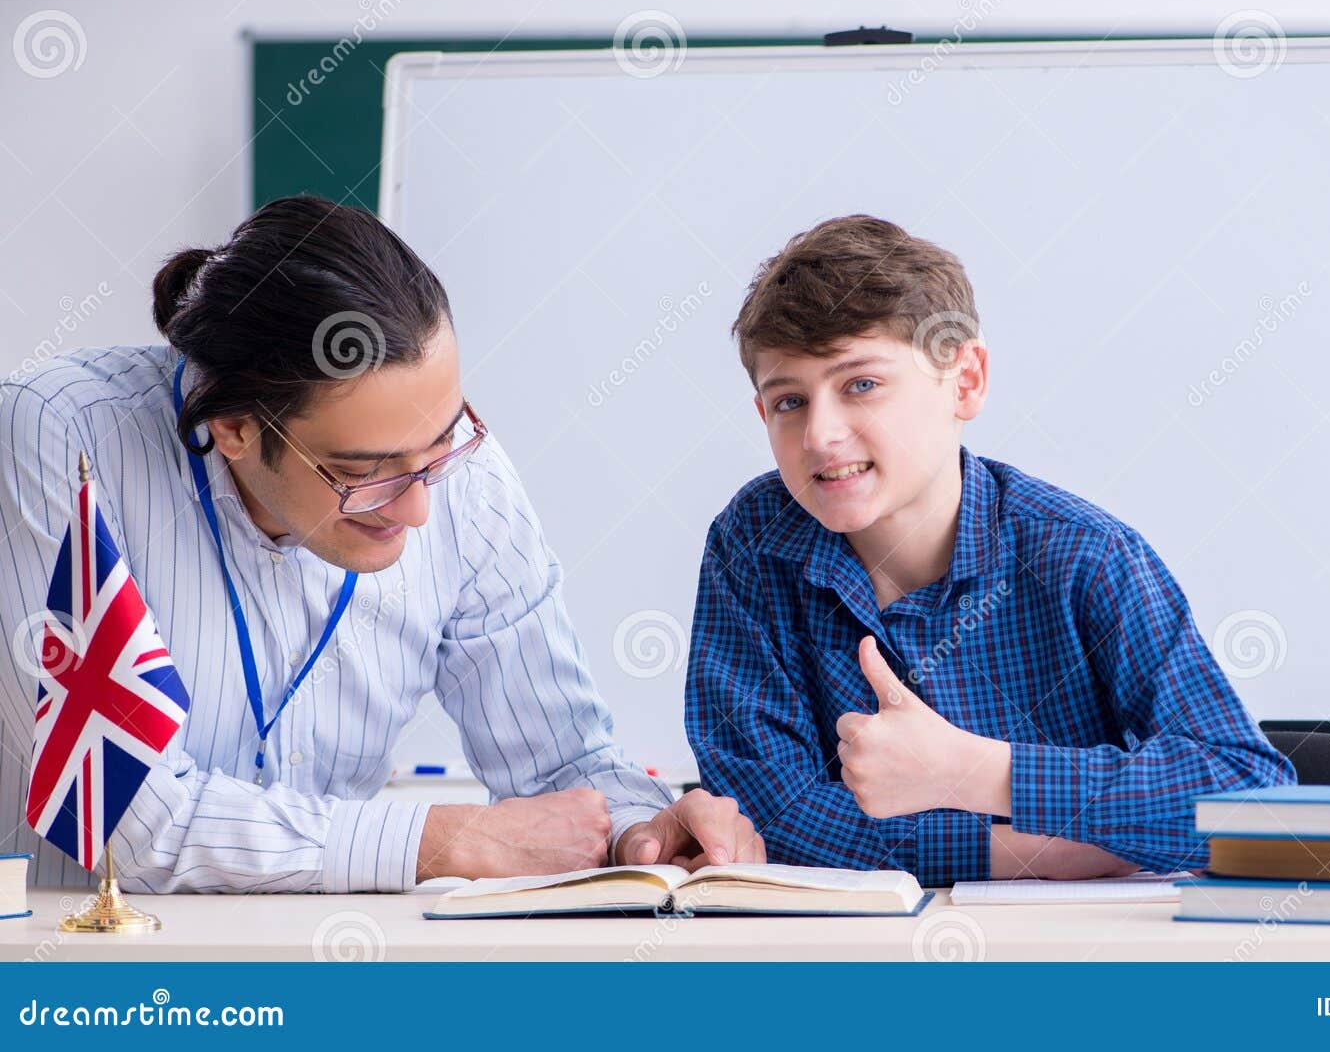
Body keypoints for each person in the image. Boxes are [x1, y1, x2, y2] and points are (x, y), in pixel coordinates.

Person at [0, 195, 762, 891]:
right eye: (363, 474)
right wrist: (435, 841)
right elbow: (120, 817)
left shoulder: (464, 478)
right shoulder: (59, 438)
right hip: (78, 974)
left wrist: (643, 831)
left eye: (440, 445)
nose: (423, 506)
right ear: (231, 427)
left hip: (329, 961)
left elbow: (560, 761)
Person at [683, 215, 1295, 886]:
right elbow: (764, 816)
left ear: (965, 381)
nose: (821, 434)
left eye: (861, 384)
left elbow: (1251, 798)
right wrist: (1042, 851)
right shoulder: (752, 542)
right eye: (790, 401)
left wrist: (968, 771)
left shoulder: (1084, 554)